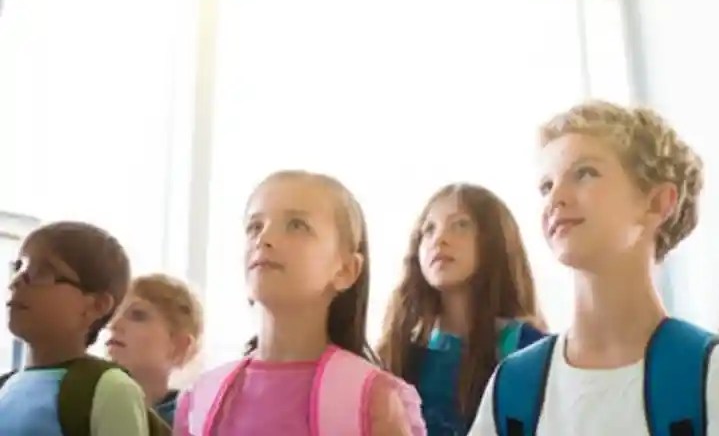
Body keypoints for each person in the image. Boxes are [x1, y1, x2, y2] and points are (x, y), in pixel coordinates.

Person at [469, 100, 719, 435]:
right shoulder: (512, 387)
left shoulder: (707, 372)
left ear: (657, 203)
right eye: (547, 186)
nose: (556, 198)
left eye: (585, 173)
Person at [173, 170, 425, 435]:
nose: (263, 239)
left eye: (297, 225)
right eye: (255, 226)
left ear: (346, 270)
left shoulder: (374, 400)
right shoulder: (201, 399)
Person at [377, 183, 545, 435]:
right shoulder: (398, 351)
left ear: (496, 241)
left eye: (461, 225)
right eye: (429, 229)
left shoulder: (528, 349)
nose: (440, 239)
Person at [0, 221, 152, 434]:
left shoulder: (108, 388)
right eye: (19, 268)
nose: (15, 282)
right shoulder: (6, 386)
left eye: (43, 272)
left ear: (96, 306)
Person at [106, 274, 204, 425]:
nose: (114, 325)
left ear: (178, 346)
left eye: (138, 315)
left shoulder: (193, 424)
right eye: (113, 314)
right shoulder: (87, 409)